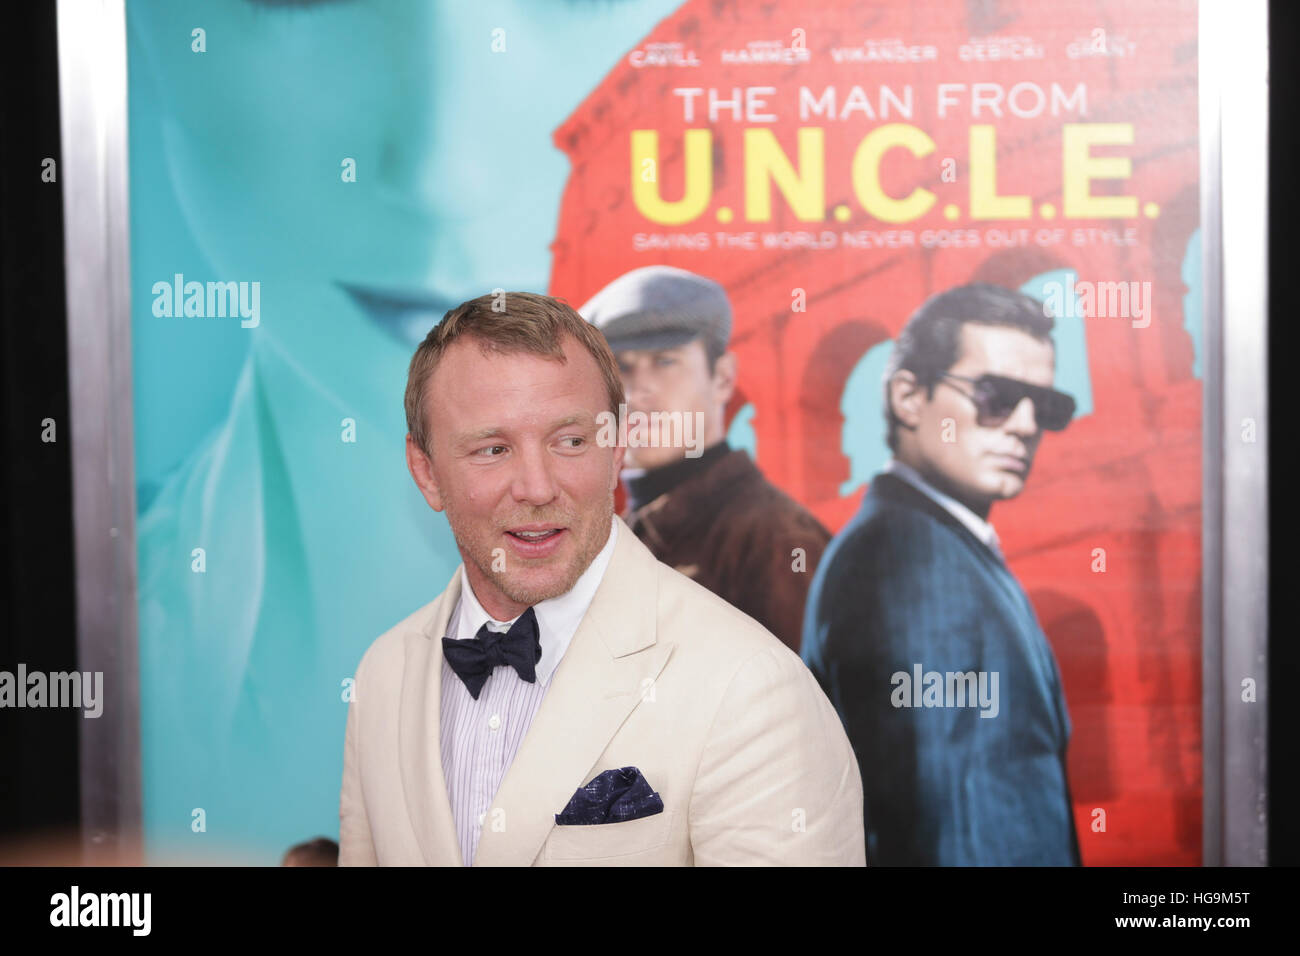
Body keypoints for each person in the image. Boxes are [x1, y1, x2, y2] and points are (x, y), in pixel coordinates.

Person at [339, 292, 863, 866]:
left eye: (570, 441)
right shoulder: (384, 673)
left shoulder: (752, 688)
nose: (537, 488)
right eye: (493, 449)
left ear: (616, 447)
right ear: (426, 472)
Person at [802, 282, 1081, 866]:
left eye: (1046, 405)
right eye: (997, 395)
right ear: (909, 397)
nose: (1027, 424)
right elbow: (940, 823)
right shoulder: (909, 559)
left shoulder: (941, 546)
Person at [580, 266, 831, 653]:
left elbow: (807, 708)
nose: (637, 390)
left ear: (723, 378)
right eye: (621, 367)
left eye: (665, 361)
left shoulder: (775, 540)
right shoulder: (619, 540)